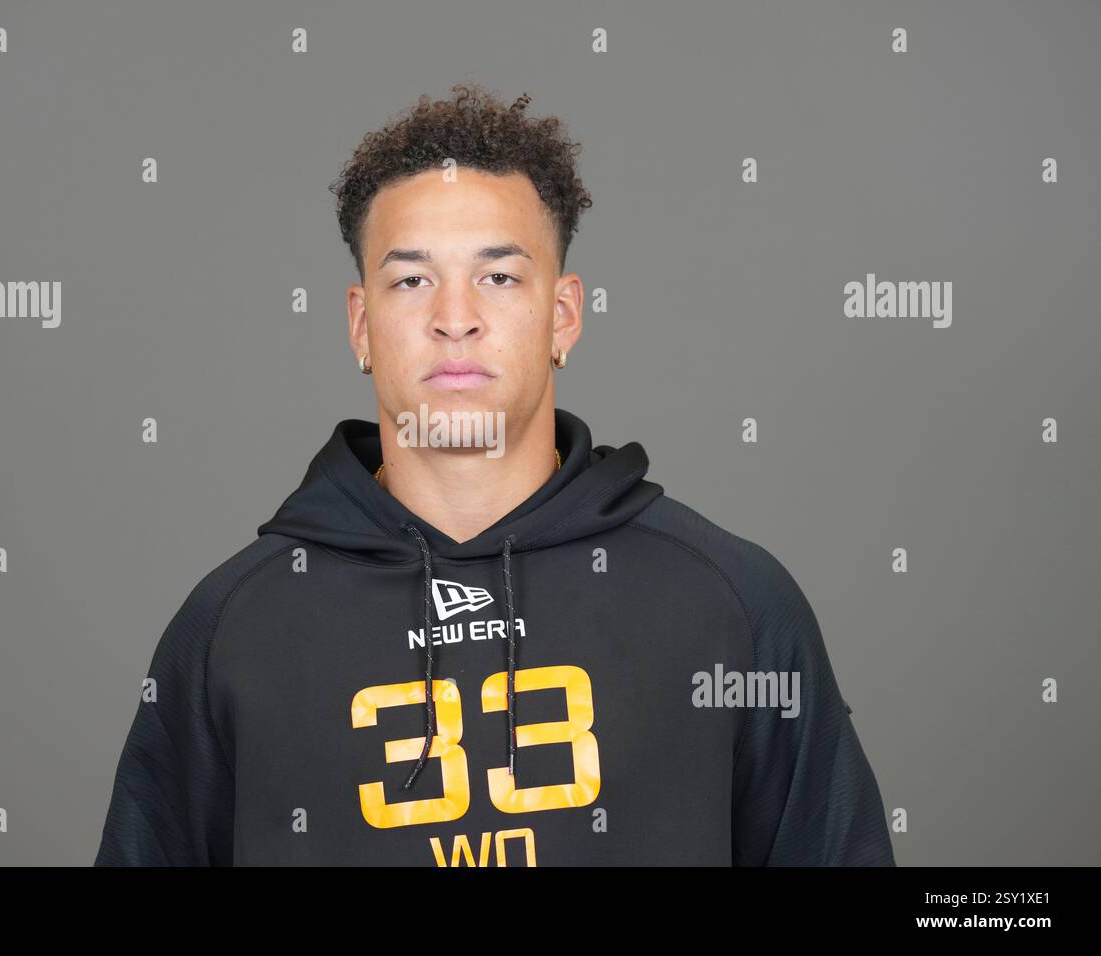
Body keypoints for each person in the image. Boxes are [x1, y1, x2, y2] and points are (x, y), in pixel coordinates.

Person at [93, 82, 894, 866]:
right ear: (360, 325)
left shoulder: (733, 603)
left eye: (500, 276)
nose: (455, 316)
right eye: (411, 279)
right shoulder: (231, 628)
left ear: (564, 315)